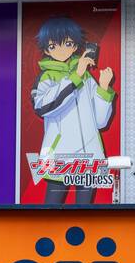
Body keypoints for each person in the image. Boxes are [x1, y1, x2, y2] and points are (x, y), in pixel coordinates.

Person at [30, 16, 116, 205]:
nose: (62, 50)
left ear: (76, 46)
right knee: (51, 210)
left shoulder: (86, 77)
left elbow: (100, 121)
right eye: (54, 46)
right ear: (46, 50)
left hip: (89, 155)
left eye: (68, 43)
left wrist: (103, 88)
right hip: (59, 155)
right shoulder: (47, 76)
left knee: (85, 212)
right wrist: (75, 77)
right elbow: (42, 106)